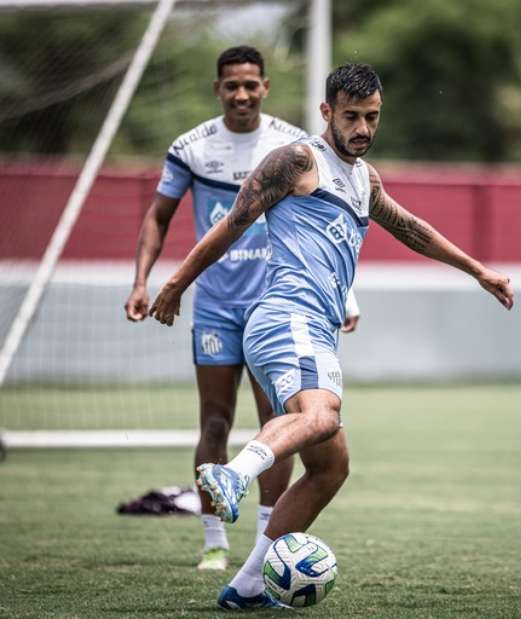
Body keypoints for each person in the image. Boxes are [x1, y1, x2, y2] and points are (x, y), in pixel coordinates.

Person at [149, 63, 514, 609]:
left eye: (372, 117)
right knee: (321, 417)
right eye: (351, 116)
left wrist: (478, 270)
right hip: (285, 318)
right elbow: (231, 225)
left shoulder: (364, 178)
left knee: (330, 465)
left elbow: (411, 228)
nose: (363, 128)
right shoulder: (298, 160)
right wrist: (176, 283)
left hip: (315, 328)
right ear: (327, 113)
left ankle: (247, 586)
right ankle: (232, 475)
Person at [124, 46, 361, 572]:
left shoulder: (289, 145)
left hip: (272, 301)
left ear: (266, 86)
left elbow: (326, 231)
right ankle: (212, 543)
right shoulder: (191, 148)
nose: (241, 94)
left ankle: (265, 544)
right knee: (214, 420)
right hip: (215, 305)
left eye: (251, 84)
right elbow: (158, 216)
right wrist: (144, 281)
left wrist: (346, 294)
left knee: (280, 420)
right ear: (218, 90)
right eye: (231, 85)